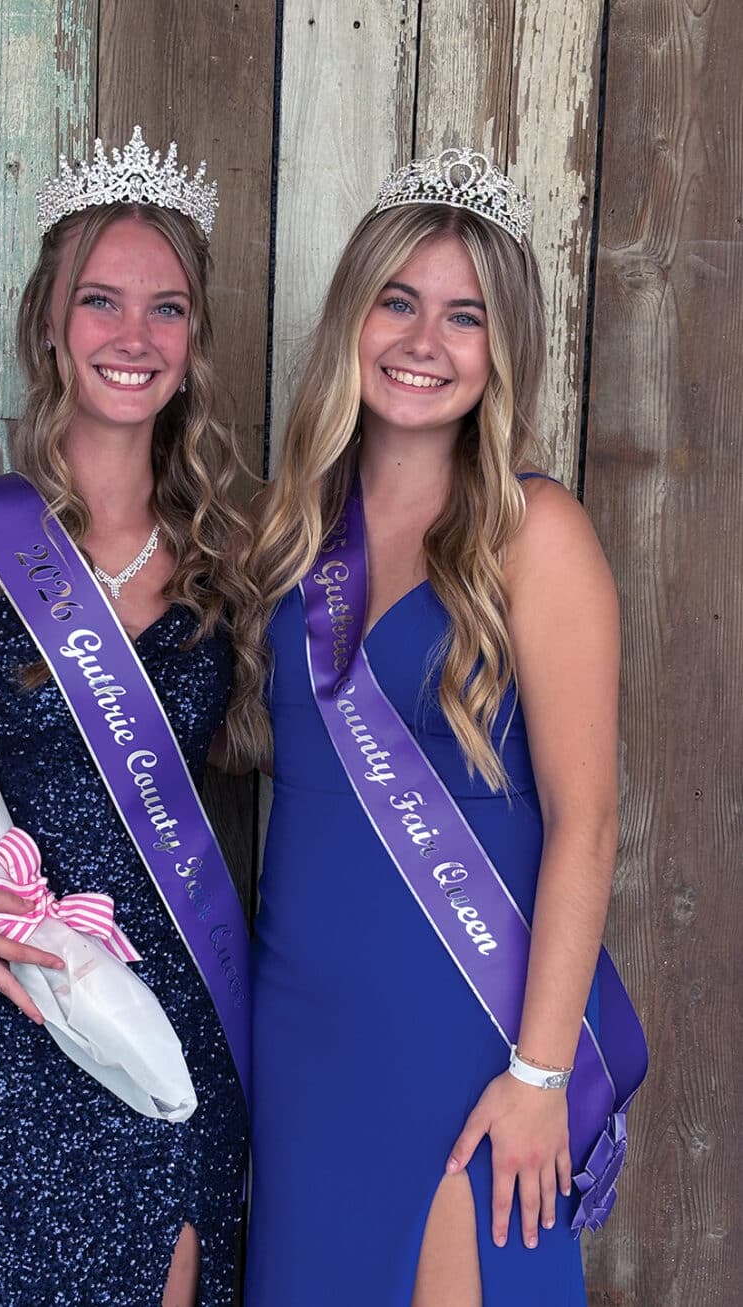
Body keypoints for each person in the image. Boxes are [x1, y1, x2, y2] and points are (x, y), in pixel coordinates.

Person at [0, 127, 264, 1307]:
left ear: (192, 342)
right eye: (100, 301)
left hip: (171, 1024)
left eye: (166, 309)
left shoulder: (237, 557)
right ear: (48, 321)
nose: (132, 337)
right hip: (2, 1018)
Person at [245, 149, 621, 1305]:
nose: (423, 340)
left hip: (465, 1027)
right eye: (398, 302)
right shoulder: (292, 523)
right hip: (299, 1034)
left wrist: (539, 1071)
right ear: (353, 316)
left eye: (464, 316)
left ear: (500, 348)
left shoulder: (535, 531)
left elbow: (588, 821)